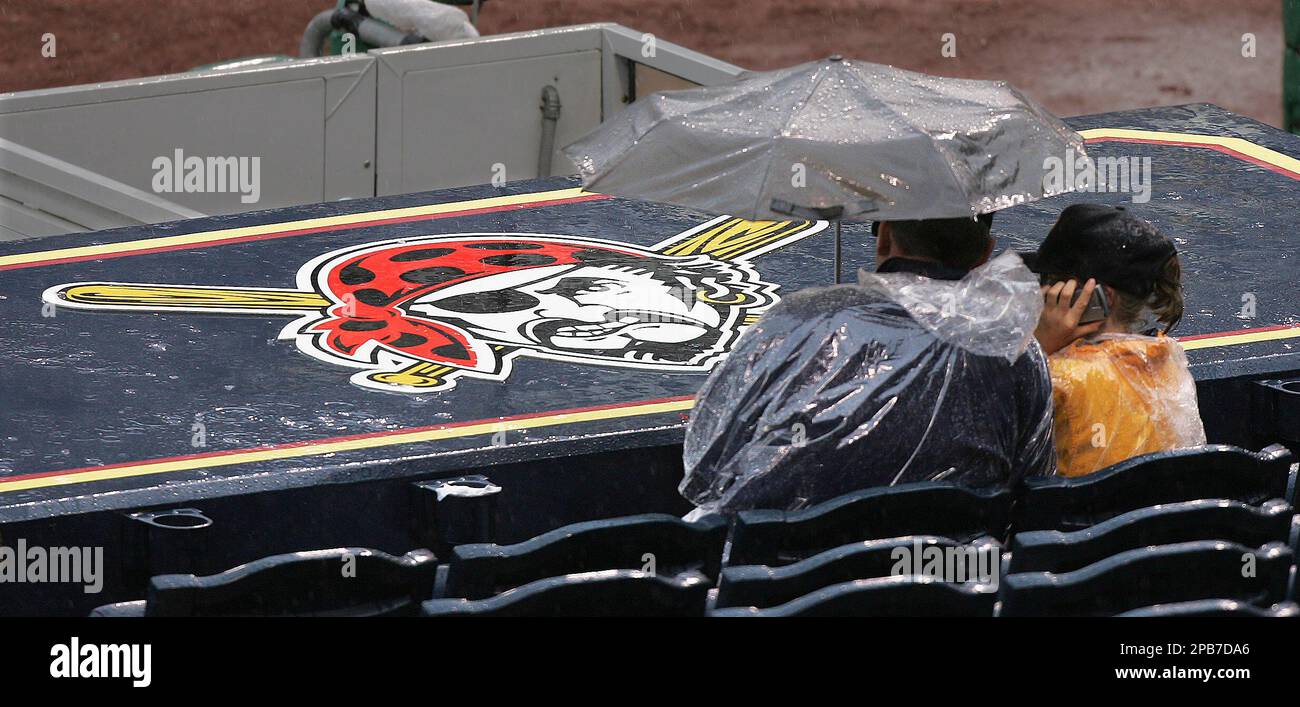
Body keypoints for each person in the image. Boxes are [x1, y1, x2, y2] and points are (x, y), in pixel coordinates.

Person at [680, 216, 1055, 517]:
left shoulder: (792, 321)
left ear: (884, 237)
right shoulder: (1018, 348)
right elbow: (1032, 485)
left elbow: (709, 468)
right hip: (950, 586)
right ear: (986, 253)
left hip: (783, 583)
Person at [1026, 203, 1205, 477]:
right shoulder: (1166, 359)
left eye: (1050, 280)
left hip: (1076, 518)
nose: (1042, 292)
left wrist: (1038, 349)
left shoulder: (1057, 377)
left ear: (1098, 298)